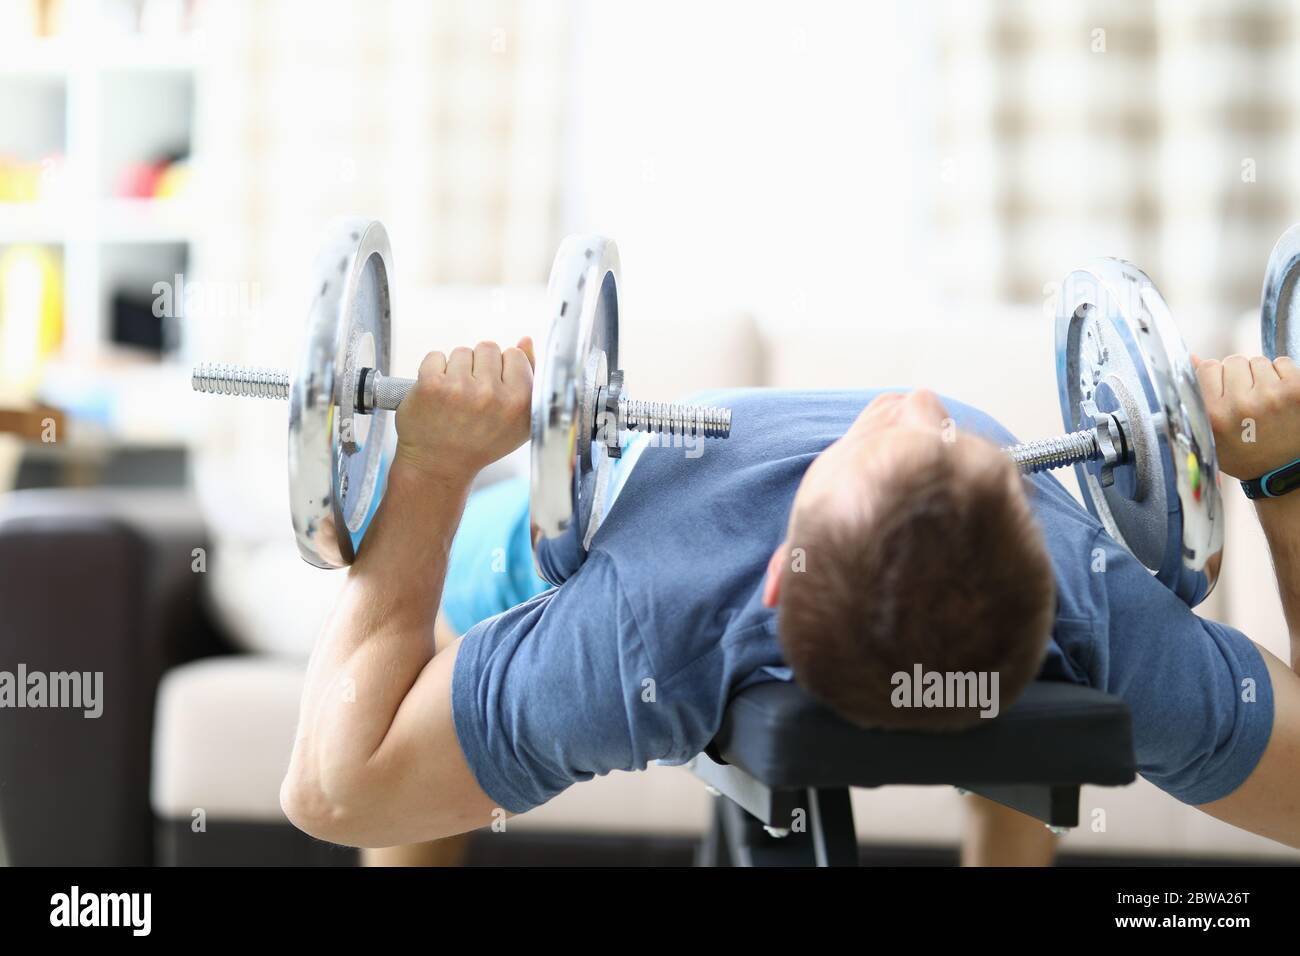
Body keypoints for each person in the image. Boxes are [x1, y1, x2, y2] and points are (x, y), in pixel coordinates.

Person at [278, 338, 1300, 863]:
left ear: (777, 574)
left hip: (622, 528)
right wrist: (1283, 478)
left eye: (902, 440)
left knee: (445, 615)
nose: (920, 404)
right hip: (607, 490)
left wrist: (432, 471)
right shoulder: (1096, 605)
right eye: (955, 449)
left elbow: (331, 789)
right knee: (976, 653)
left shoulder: (637, 625)